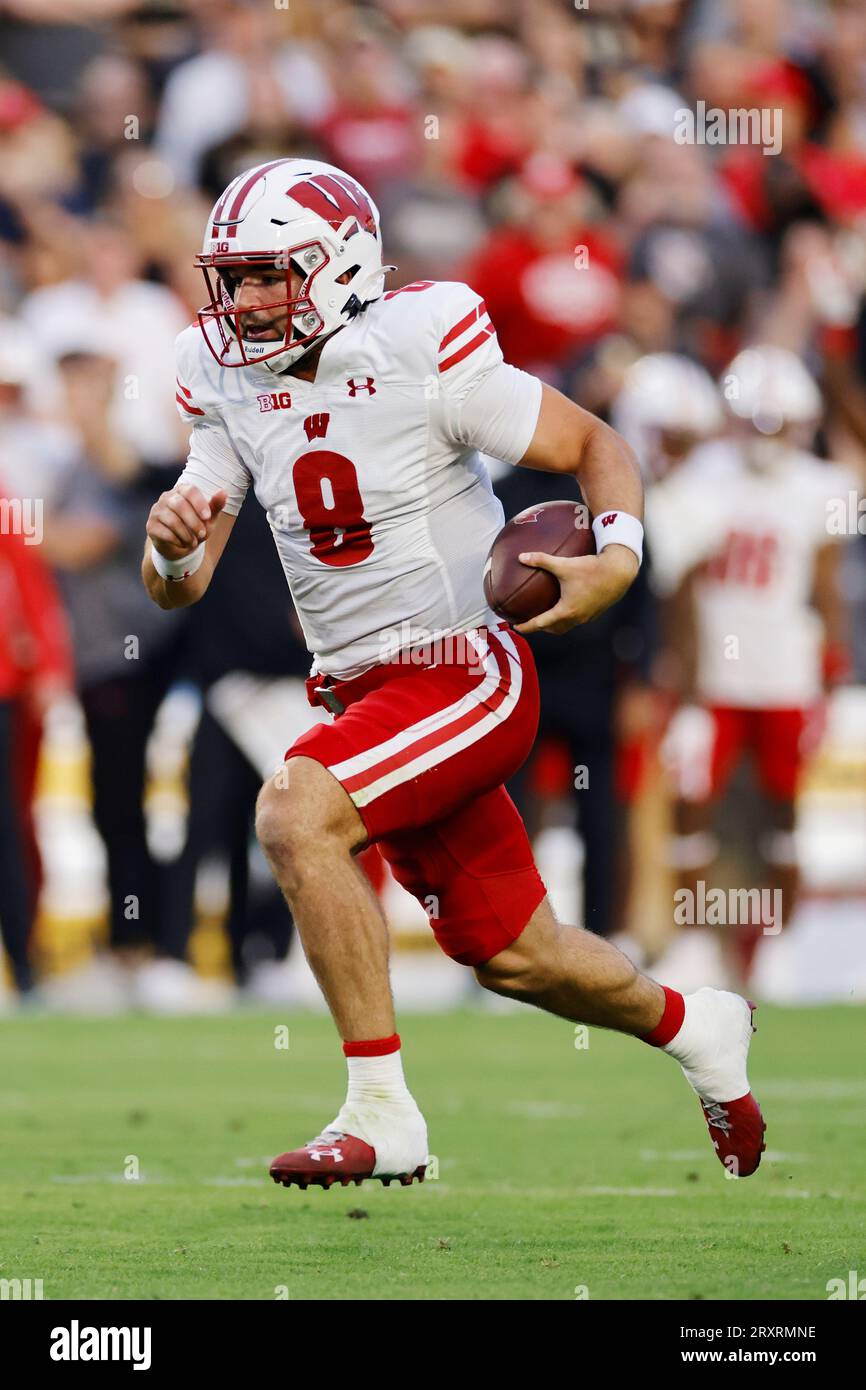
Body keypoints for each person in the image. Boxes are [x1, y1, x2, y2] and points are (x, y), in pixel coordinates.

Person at [141, 157, 766, 1188]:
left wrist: (616, 556)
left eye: (267, 276)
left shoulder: (420, 339)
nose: (244, 302)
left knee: (296, 811)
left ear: (338, 267)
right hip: (356, 687)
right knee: (514, 952)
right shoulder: (215, 371)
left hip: (459, 666)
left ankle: (381, 1112)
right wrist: (169, 547)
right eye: (234, 279)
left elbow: (592, 442)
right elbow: (183, 579)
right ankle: (697, 1026)